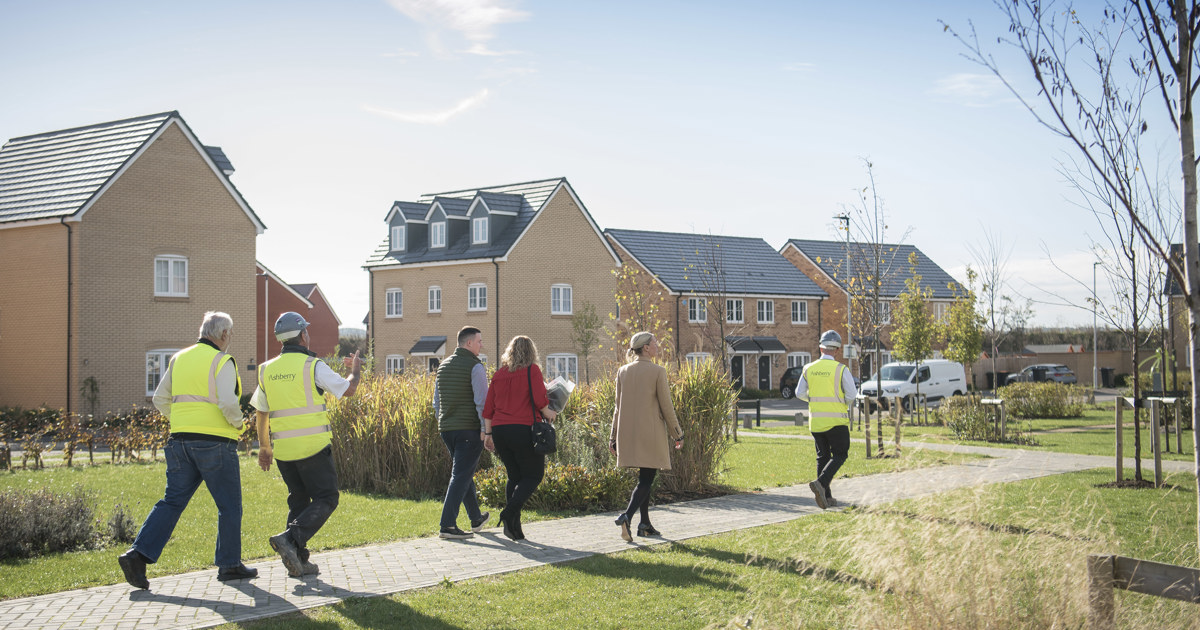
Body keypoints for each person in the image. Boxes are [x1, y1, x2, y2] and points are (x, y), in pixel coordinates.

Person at [118, 311, 257, 589]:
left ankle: (138, 555)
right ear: (223, 334)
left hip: (180, 442)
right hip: (216, 444)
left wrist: (183, 420)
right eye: (230, 334)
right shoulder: (222, 361)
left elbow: (159, 398)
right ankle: (229, 566)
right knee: (229, 506)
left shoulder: (178, 357)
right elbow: (229, 404)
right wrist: (240, 425)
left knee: (172, 502)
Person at [253, 312, 362, 578]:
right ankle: (290, 539)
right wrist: (355, 371)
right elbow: (347, 390)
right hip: (312, 447)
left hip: (284, 452)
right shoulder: (312, 366)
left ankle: (299, 561)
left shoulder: (266, 369)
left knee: (298, 502)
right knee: (327, 497)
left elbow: (261, 412)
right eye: (307, 332)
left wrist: (264, 447)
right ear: (302, 335)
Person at [482, 336, 558, 541]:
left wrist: (488, 435)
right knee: (533, 476)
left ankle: (513, 527)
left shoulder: (499, 375)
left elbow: (488, 409)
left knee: (514, 476)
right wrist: (548, 412)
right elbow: (539, 399)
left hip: (499, 430)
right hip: (522, 428)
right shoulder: (532, 370)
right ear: (531, 351)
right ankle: (508, 513)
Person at [609, 331, 683, 542]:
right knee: (647, 479)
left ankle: (644, 525)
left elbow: (617, 408)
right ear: (646, 348)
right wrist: (678, 433)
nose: (658, 345)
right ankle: (627, 516)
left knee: (645, 478)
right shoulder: (657, 371)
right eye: (654, 342)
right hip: (650, 434)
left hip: (628, 434)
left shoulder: (622, 371)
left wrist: (612, 436)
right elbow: (667, 407)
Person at [432, 326, 491, 539]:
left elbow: (436, 402)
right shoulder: (475, 367)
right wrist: (486, 430)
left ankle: (476, 518)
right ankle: (447, 525)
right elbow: (482, 403)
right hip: (469, 430)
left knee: (464, 473)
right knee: (460, 475)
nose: (481, 345)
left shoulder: (443, 366)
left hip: (447, 429)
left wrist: (444, 421)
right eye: (479, 341)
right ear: (468, 343)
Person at [795, 329, 857, 510]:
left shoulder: (809, 368)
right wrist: (841, 403)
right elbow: (852, 394)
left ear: (820, 348)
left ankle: (826, 498)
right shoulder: (841, 369)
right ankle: (821, 483)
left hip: (816, 422)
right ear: (837, 350)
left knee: (823, 457)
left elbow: (799, 393)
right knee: (840, 454)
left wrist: (813, 400)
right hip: (836, 420)